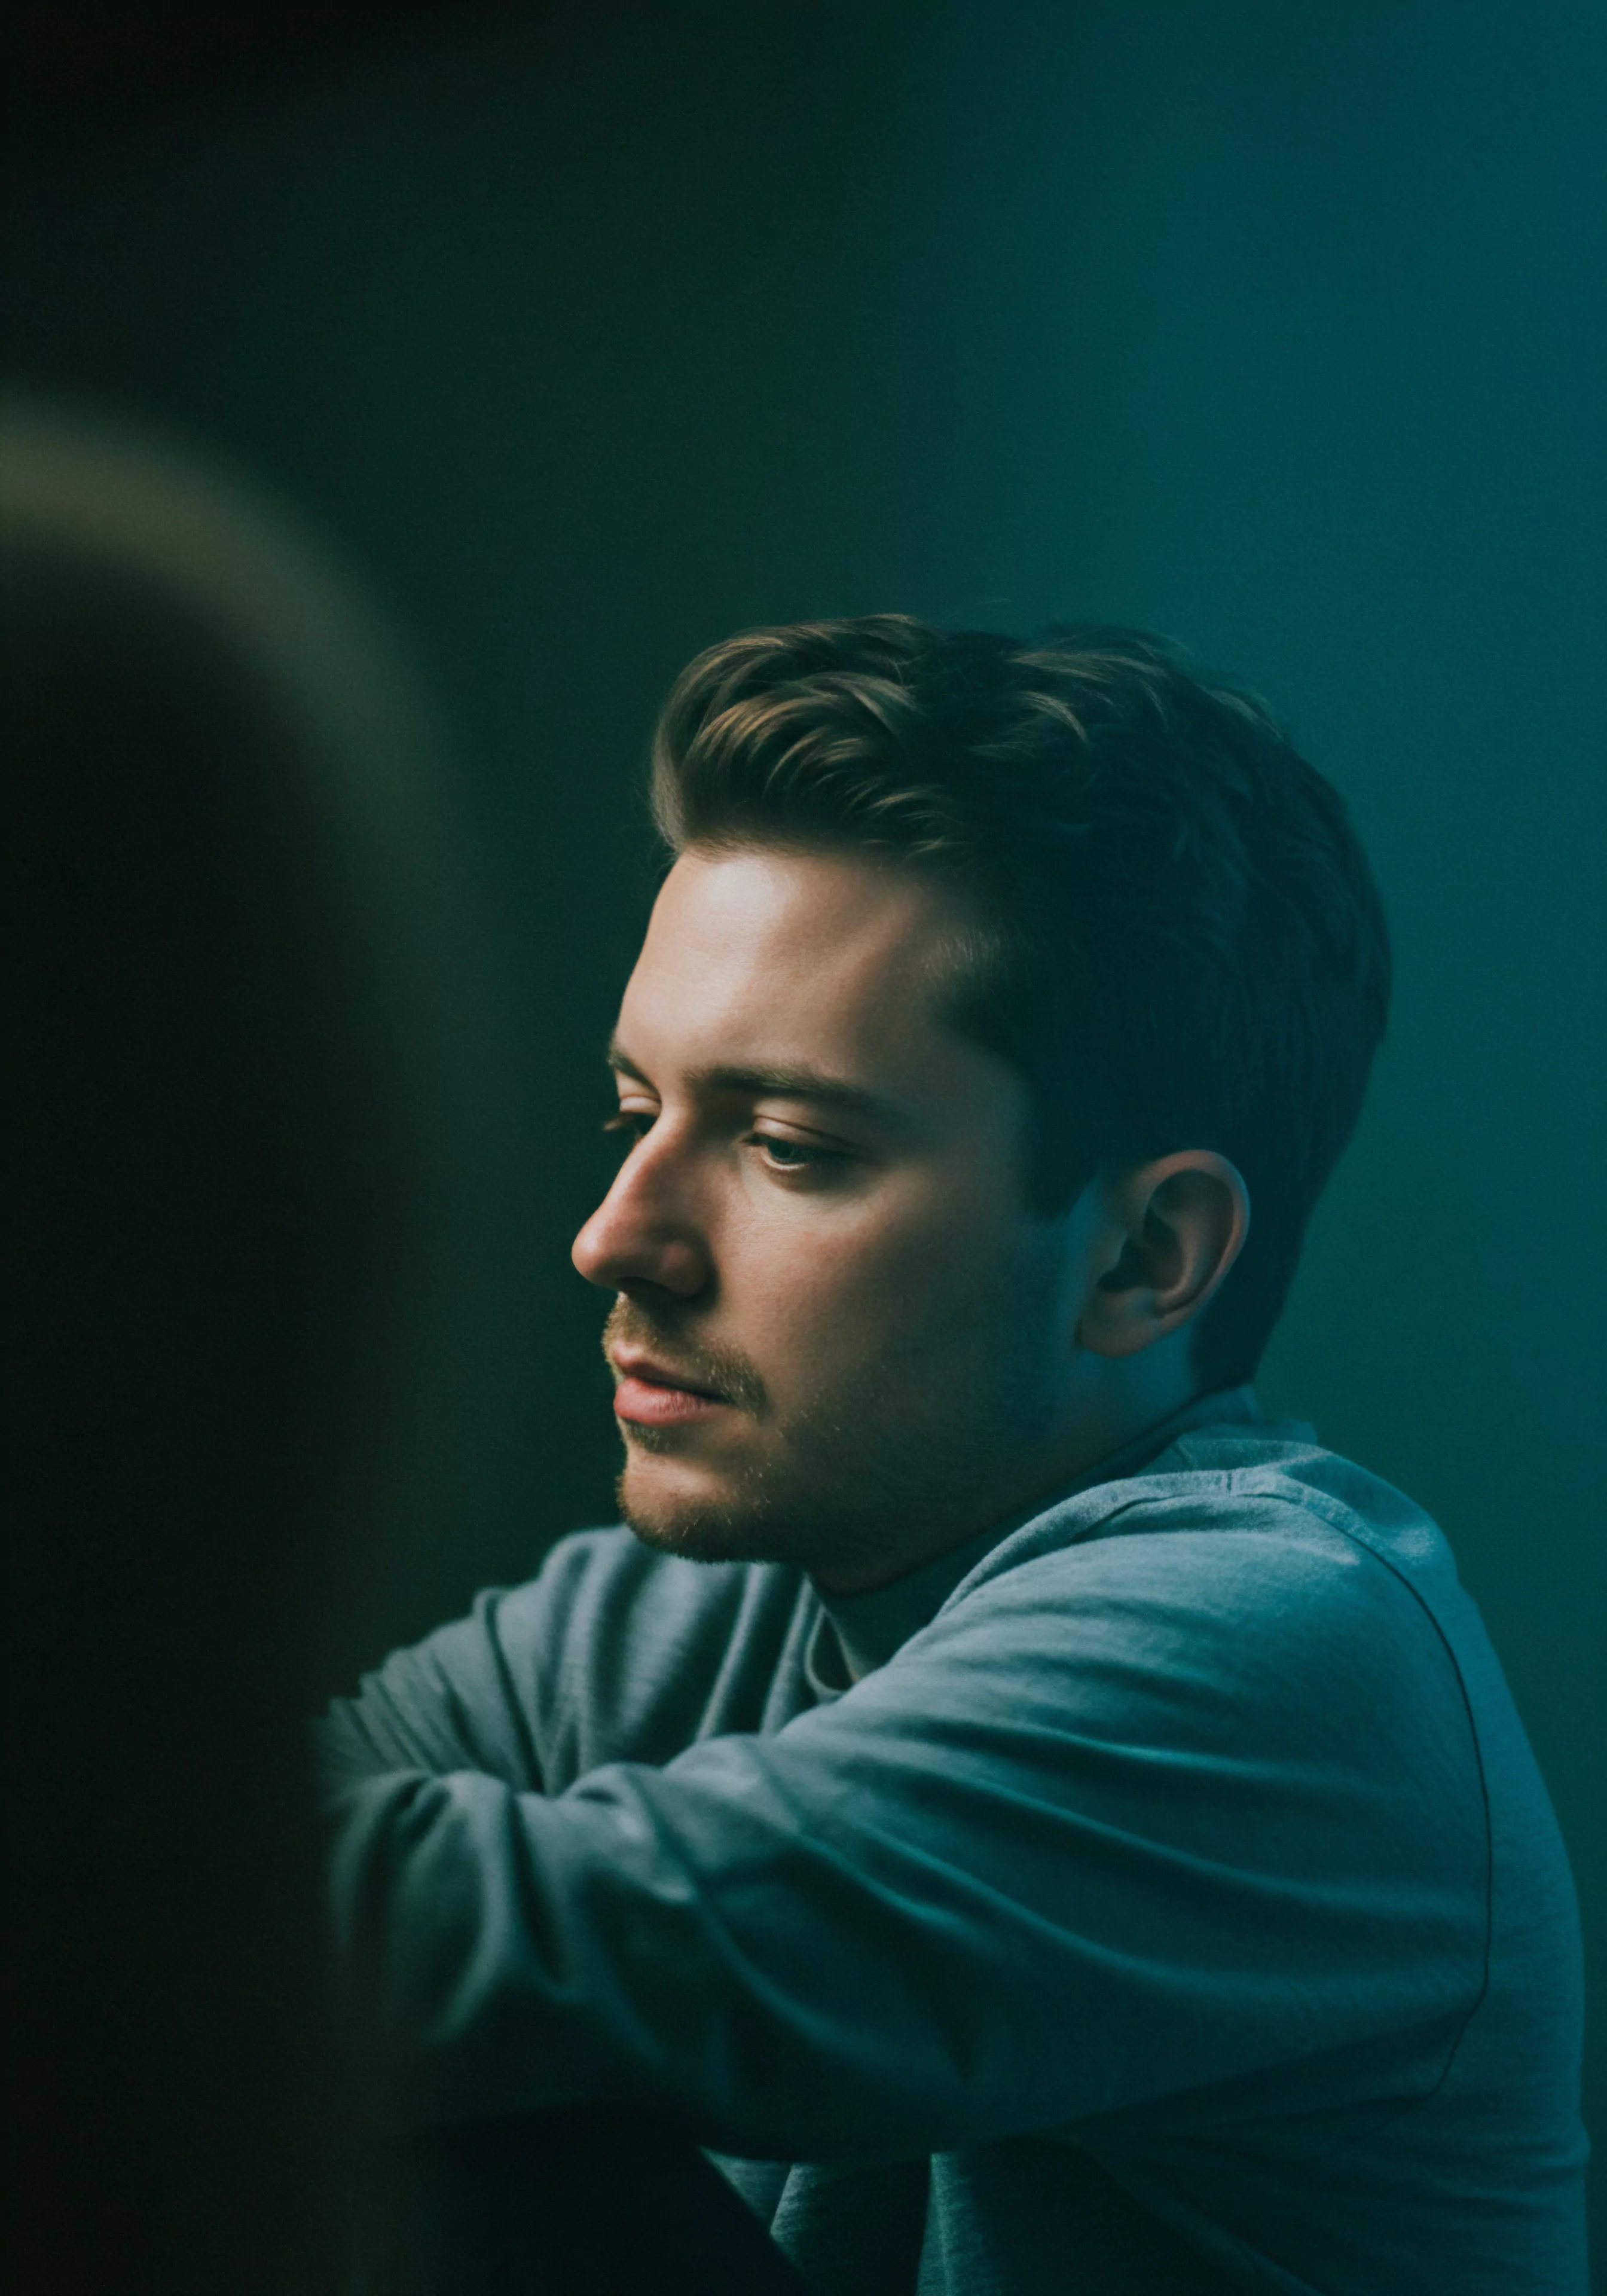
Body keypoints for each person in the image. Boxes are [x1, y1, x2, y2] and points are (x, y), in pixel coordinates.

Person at [320, 616, 1588, 2294]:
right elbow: (216, 1852)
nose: (614, 1238)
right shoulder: (692, 1614)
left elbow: (394, 1939)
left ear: (1146, 1259)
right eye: (639, 1114)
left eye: (787, 1145)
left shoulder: (1289, 1644)